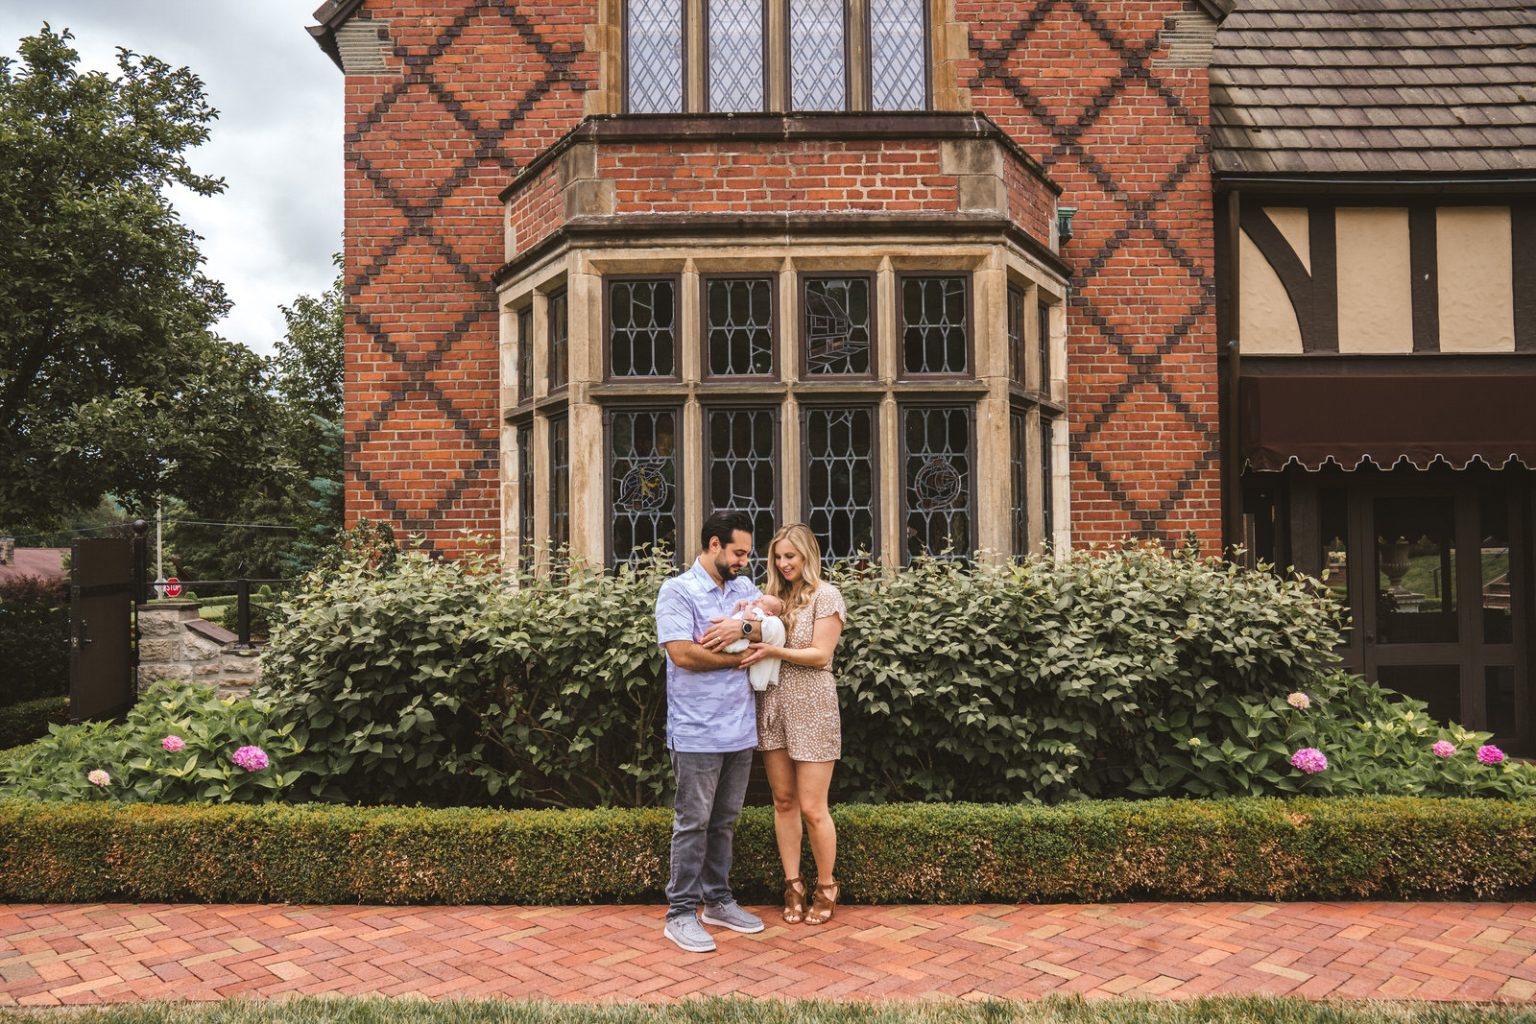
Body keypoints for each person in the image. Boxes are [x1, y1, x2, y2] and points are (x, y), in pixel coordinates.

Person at [653, 510, 768, 954]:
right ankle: (679, 913)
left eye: (747, 554)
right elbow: (683, 653)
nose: (744, 561)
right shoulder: (678, 591)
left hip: (740, 729)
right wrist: (739, 656)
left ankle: (717, 902)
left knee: (724, 822)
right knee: (693, 823)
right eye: (738, 552)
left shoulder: (742, 590)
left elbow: (772, 626)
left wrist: (741, 627)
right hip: (697, 731)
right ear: (714, 544)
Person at [738, 523, 848, 926]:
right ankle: (793, 884)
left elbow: (821, 655)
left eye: (791, 557)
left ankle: (826, 885)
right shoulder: (771, 600)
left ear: (807, 556)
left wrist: (773, 649)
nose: (784, 564)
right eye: (779, 557)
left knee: (814, 807)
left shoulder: (827, 595)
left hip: (813, 707)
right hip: (774, 703)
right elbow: (746, 631)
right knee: (783, 801)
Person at [722, 594, 786, 691]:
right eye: (759, 598)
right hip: (728, 632)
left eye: (762, 601)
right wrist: (738, 607)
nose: (757, 600)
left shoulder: (759, 614)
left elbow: (746, 621)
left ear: (768, 612)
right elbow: (734, 617)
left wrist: (748, 608)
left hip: (737, 640)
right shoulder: (757, 609)